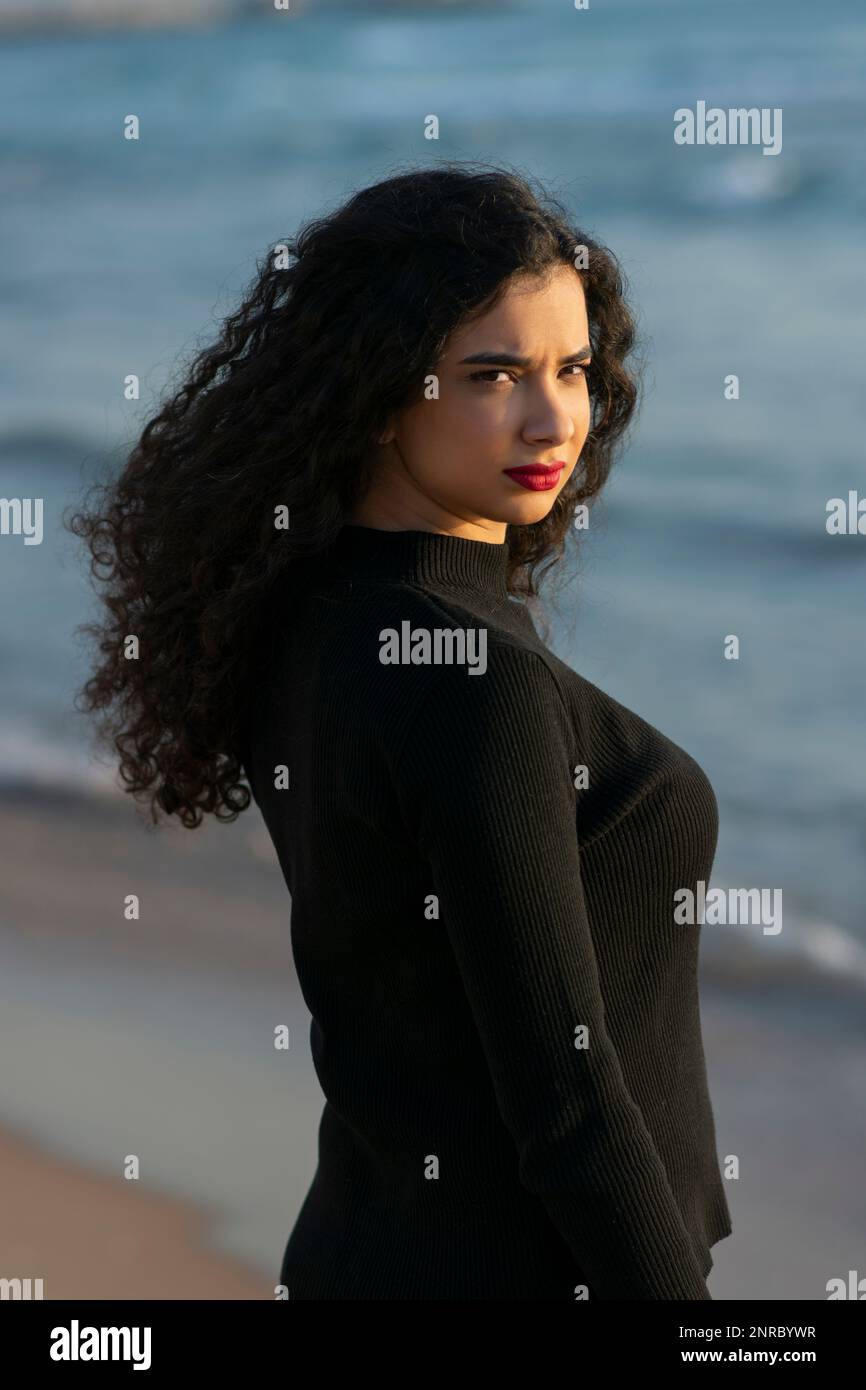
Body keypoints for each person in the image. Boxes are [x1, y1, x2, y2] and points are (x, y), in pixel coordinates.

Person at [69, 163, 732, 1300]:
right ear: (382, 392)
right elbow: (566, 1106)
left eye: (571, 368)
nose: (553, 417)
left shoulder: (309, 612)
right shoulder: (471, 679)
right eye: (492, 375)